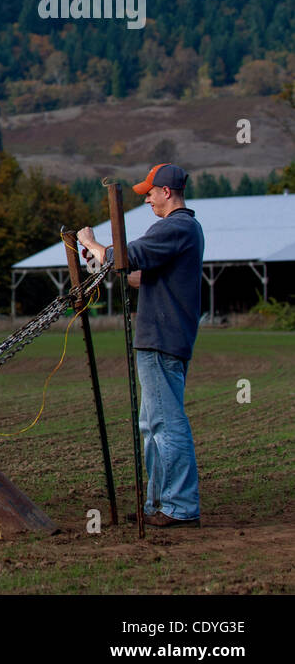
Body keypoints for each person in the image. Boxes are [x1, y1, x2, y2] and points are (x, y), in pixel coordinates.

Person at [77, 163, 205, 529]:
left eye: (150, 191)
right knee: (153, 424)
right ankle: (159, 504)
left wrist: (92, 244)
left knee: (165, 423)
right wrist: (98, 259)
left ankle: (178, 506)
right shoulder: (182, 230)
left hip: (162, 338)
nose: (146, 197)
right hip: (162, 338)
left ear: (167, 192)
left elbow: (127, 258)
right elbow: (135, 277)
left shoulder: (175, 226)